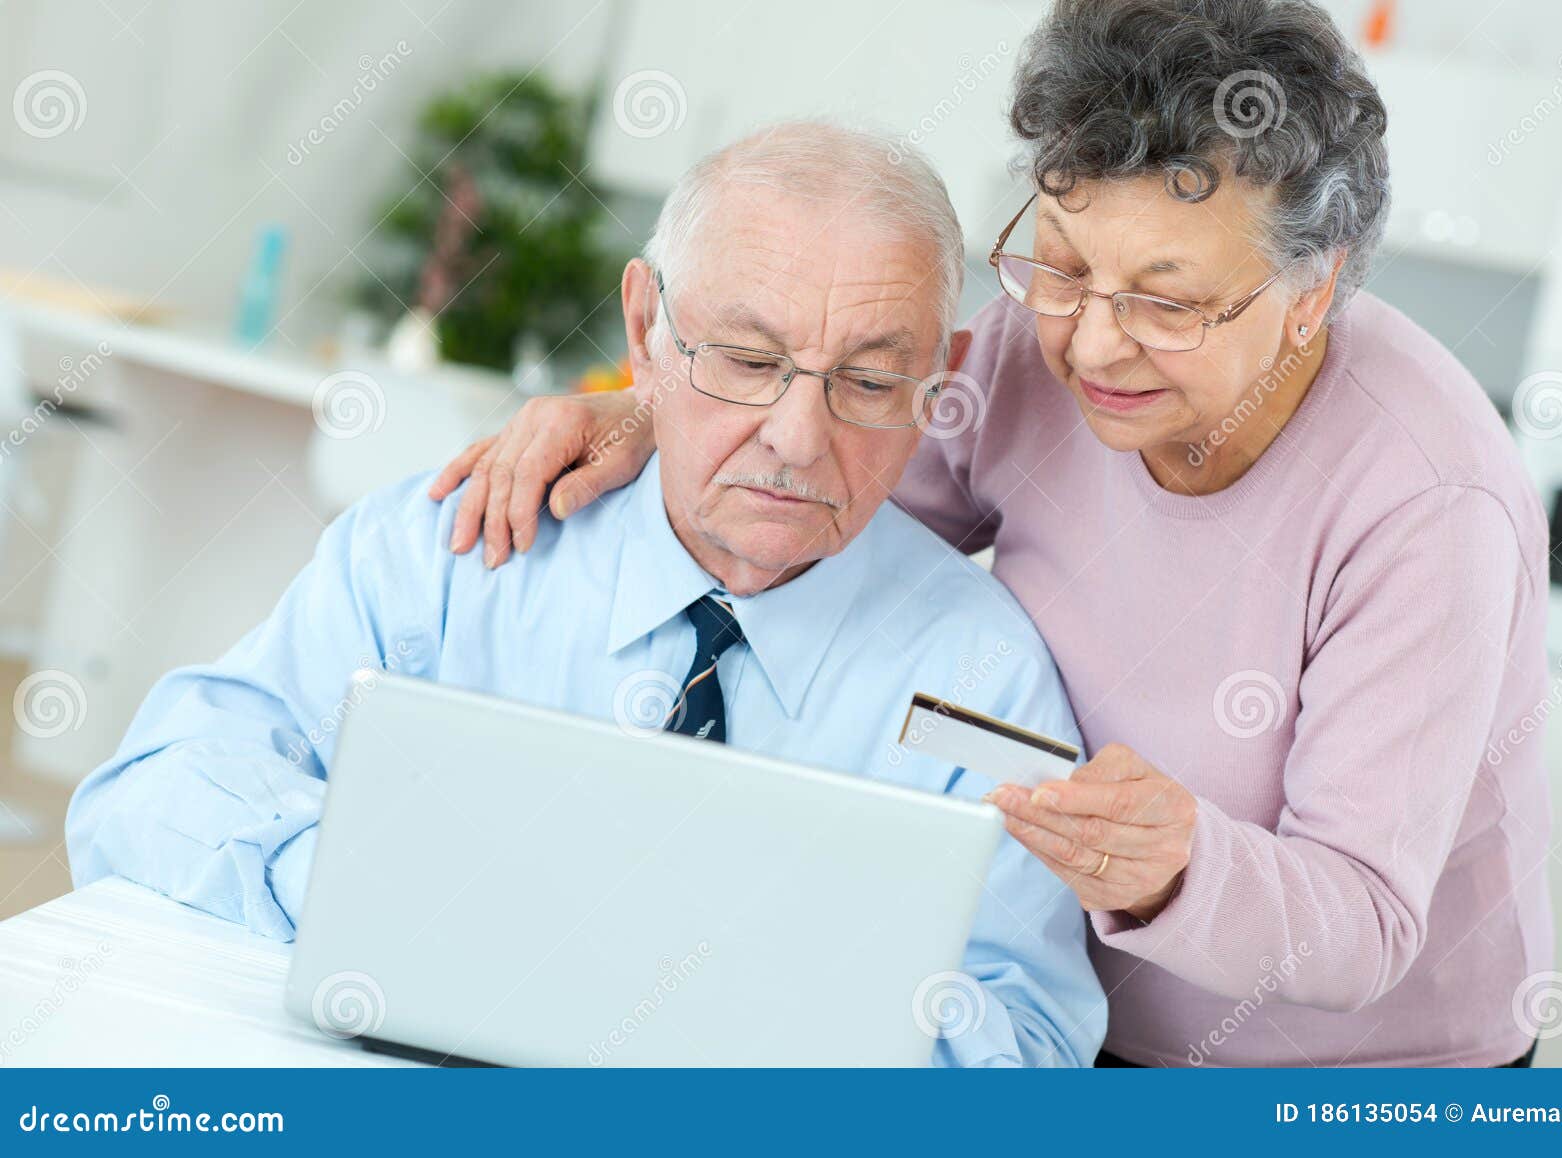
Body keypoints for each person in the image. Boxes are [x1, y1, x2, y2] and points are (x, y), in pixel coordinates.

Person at [431, 0, 1552, 1067]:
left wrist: (1175, 866)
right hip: (1038, 1021)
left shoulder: (1426, 501)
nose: (1093, 347)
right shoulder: (1031, 351)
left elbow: (1361, 921)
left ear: (1313, 292)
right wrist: (646, 410)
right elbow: (815, 497)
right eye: (1062, 264)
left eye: (1164, 303)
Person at [65, 122, 1107, 1068]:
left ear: (945, 378)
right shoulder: (451, 551)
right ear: (645, 329)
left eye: (872, 383)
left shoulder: (985, 684)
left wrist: (780, 997)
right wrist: (383, 892)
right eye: (746, 361)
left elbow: (1033, 1037)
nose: (798, 440)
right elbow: (147, 797)